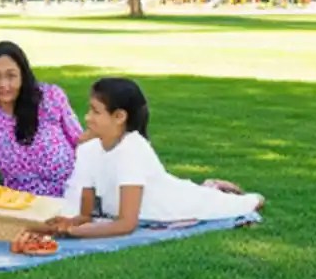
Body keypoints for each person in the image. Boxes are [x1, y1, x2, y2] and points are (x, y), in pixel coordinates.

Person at [37, 78, 265, 239]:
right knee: (190, 190)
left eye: (96, 112)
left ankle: (212, 190)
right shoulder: (88, 149)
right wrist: (69, 223)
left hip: (171, 207)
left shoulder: (133, 149)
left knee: (250, 203)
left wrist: (78, 232)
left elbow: (127, 223)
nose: (87, 117)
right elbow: (85, 214)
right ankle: (210, 187)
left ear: (119, 117)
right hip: (163, 194)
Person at [0, 41, 85, 195]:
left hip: (71, 195)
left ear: (23, 75)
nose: (3, 84)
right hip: (21, 205)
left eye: (11, 76)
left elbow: (80, 141)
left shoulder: (50, 97)